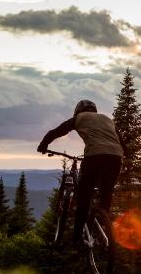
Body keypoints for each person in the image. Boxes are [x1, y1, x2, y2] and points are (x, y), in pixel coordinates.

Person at [37, 99, 124, 245]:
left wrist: (43, 145)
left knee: (84, 196)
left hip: (94, 156)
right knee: (106, 194)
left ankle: (76, 238)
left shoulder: (79, 118)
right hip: (116, 157)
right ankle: (101, 227)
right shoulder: (108, 119)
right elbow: (121, 141)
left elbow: (57, 132)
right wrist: (122, 153)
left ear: (78, 111)